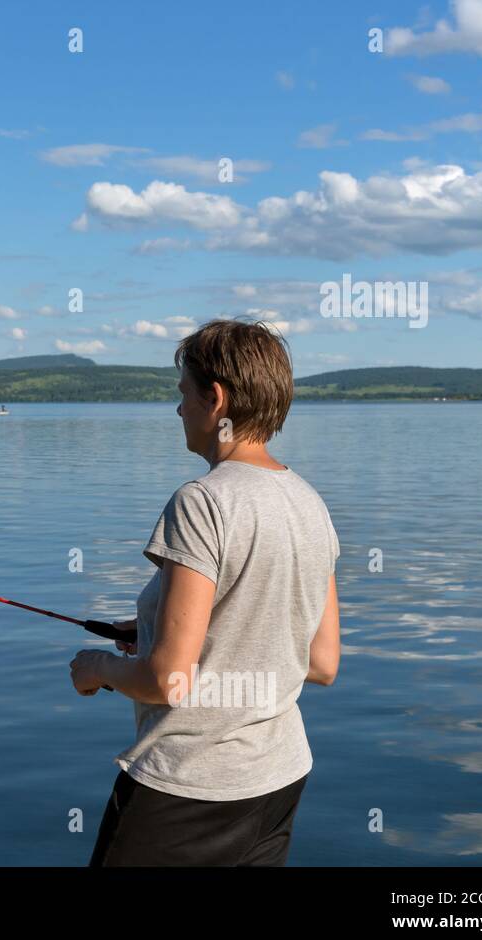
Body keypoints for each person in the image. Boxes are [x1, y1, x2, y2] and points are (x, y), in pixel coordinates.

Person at [70, 318, 340, 866]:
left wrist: (98, 667)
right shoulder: (309, 502)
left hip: (188, 788)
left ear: (215, 399)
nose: (178, 410)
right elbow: (321, 662)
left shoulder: (201, 502)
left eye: (183, 394)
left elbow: (166, 680)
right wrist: (151, 630)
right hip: (277, 781)